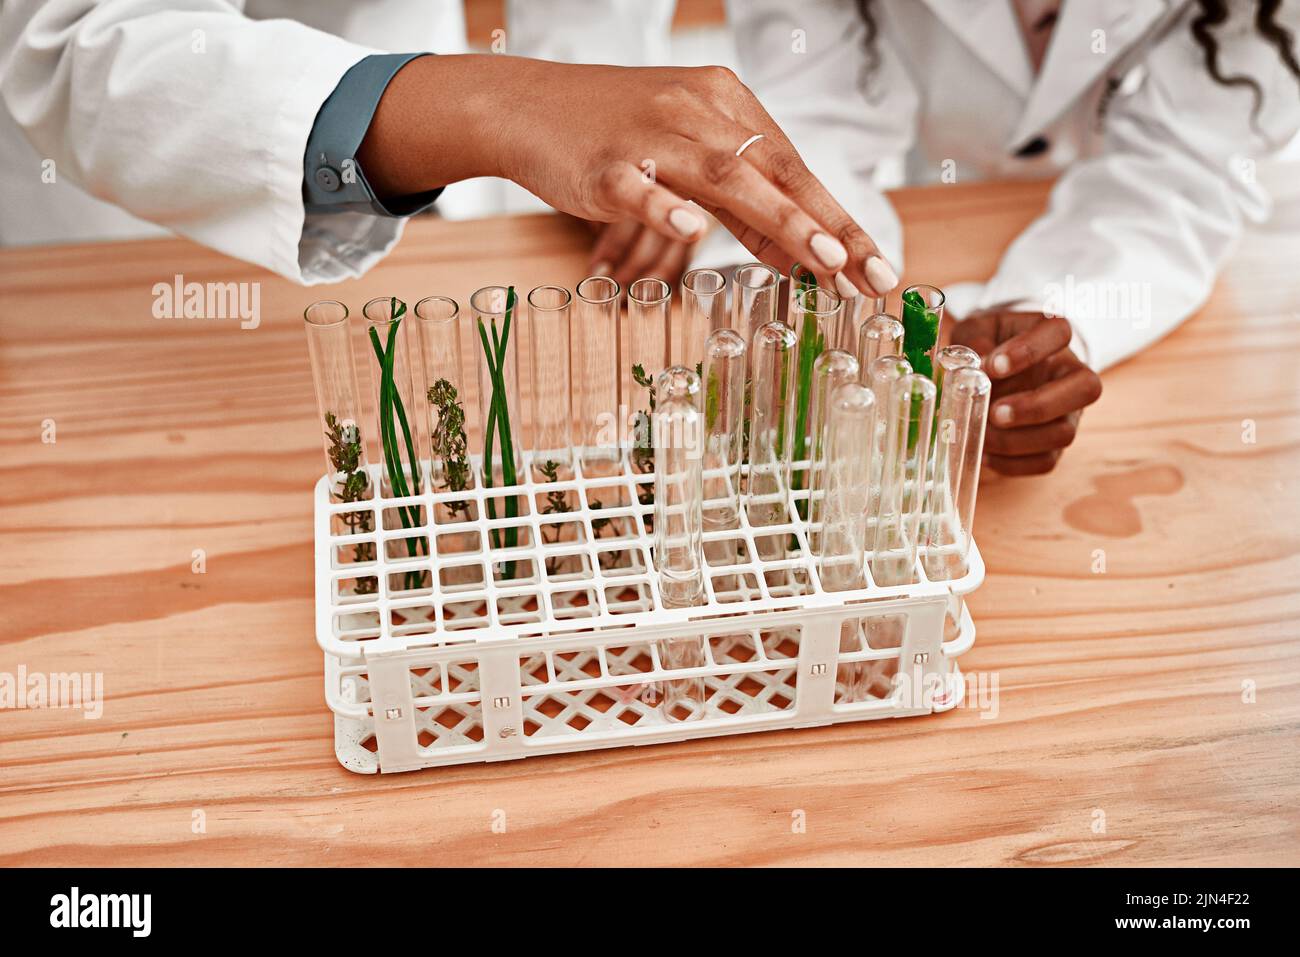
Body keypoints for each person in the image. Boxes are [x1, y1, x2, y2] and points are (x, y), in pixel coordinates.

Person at [593, 0, 1300, 475]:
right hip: (934, 185)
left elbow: (1187, 165)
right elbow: (810, 113)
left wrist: (1058, 312)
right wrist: (810, 299)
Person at [0, 0, 896, 300]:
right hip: (133, 255)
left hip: (456, 244)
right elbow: (84, 42)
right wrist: (499, 110)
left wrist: (610, 154)